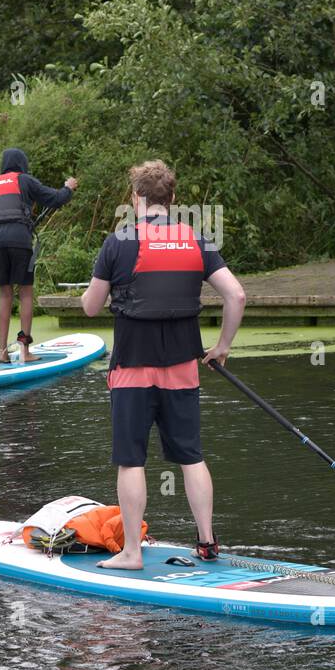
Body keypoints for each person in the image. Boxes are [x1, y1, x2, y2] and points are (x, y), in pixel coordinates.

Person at [81, 159, 246, 569]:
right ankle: (207, 543)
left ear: (135, 198)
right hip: (182, 370)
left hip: (132, 370)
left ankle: (132, 553)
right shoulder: (198, 241)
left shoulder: (117, 242)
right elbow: (237, 296)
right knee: (191, 456)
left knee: (132, 460)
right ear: (171, 199)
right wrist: (222, 346)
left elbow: (90, 307)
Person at [0, 148, 77, 362]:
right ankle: (25, 352)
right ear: (22, 164)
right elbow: (55, 199)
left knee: (5, 295)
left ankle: (2, 352)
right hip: (19, 240)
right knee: (25, 293)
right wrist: (68, 188)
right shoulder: (24, 180)